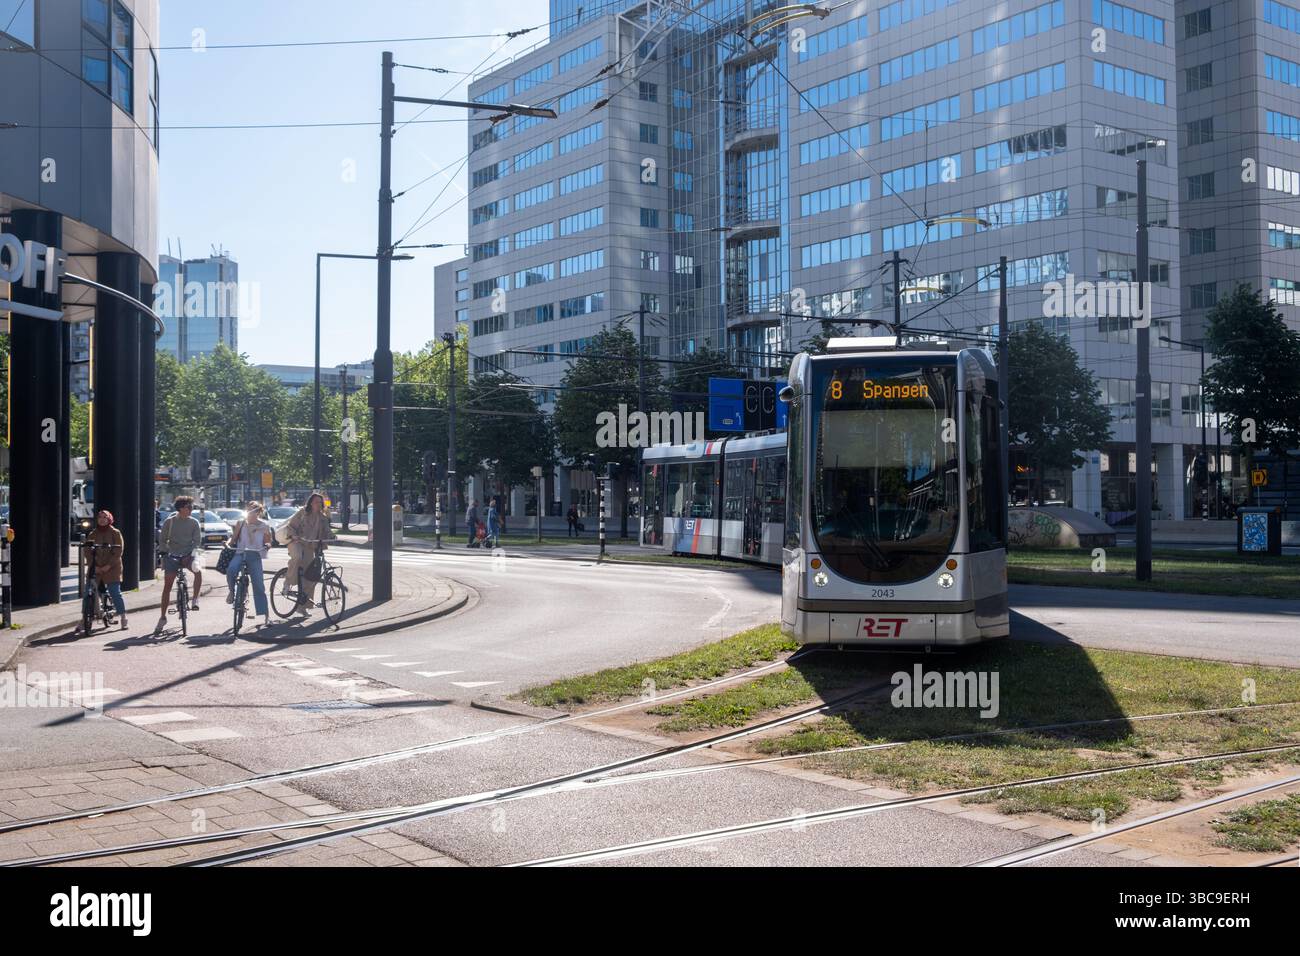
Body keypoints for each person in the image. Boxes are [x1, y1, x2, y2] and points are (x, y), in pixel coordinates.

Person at [280, 492, 335, 614]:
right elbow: (291, 526)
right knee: (298, 557)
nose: (318, 504)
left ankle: (303, 606)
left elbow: (327, 531)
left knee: (311, 576)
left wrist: (333, 536)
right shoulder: (302, 513)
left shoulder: (322, 517)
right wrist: (294, 536)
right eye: (316, 502)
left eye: (320, 502)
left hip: (311, 546)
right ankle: (288, 582)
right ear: (310, 502)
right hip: (297, 542)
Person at [156, 496, 203, 634]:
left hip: (188, 555)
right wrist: (166, 554)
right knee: (167, 586)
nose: (191, 509)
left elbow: (197, 541)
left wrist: (190, 554)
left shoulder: (194, 523)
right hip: (172, 556)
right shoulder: (169, 522)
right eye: (189, 507)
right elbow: (163, 540)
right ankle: (163, 617)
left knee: (198, 572)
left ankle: (195, 600)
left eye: (192, 507)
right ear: (181, 508)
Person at [225, 502, 274, 627]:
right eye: (250, 510)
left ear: (259, 513)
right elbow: (234, 538)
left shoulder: (264, 525)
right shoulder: (241, 523)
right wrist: (228, 543)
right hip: (240, 553)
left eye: (255, 511)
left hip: (255, 555)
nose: (252, 513)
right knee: (231, 570)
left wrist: (267, 545)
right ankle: (232, 592)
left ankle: (266, 615)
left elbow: (268, 541)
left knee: (258, 584)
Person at [80, 509, 127, 632]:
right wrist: (93, 565)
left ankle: (123, 617)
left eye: (104, 517)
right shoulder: (92, 534)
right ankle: (83, 619)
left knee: (115, 592)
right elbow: (87, 551)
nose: (101, 519)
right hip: (96, 567)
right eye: (99, 517)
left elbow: (118, 551)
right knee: (87, 593)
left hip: (112, 567)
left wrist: (108, 565)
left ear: (109, 519)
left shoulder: (115, 533)